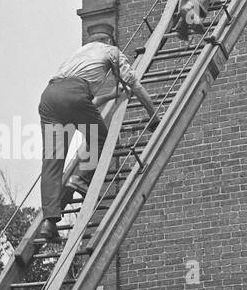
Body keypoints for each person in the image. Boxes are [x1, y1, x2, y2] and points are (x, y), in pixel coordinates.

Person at [36, 23, 159, 243]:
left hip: (49, 97)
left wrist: (111, 95)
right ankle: (81, 179)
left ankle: (49, 221)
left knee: (52, 160)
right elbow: (135, 85)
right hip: (74, 96)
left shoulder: (78, 55)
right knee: (101, 138)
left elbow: (80, 98)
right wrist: (154, 115)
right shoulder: (111, 51)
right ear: (109, 40)